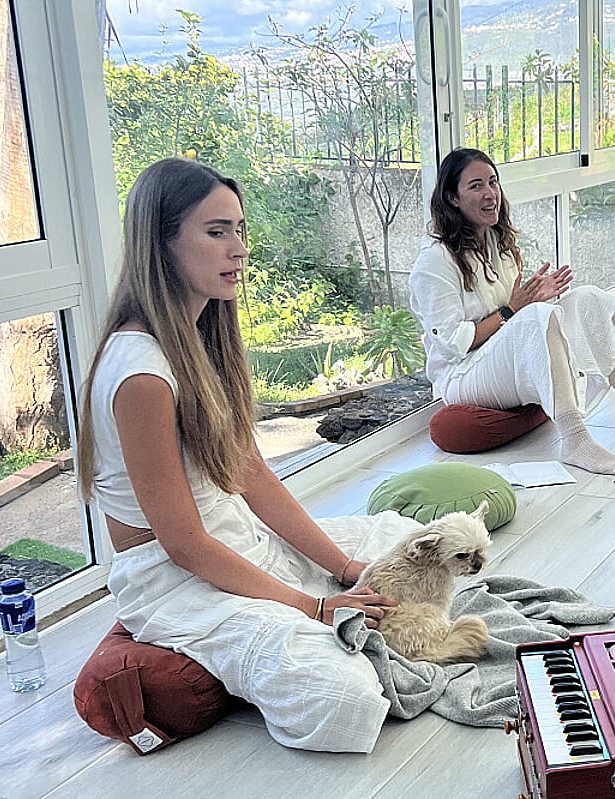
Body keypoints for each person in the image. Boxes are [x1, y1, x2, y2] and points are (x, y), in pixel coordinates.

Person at [76, 158, 405, 753]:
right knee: (346, 702)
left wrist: (345, 569)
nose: (239, 249)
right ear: (163, 242)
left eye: (240, 229)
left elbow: (252, 476)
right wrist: (315, 606)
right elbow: (185, 544)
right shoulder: (139, 373)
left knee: (403, 543)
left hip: (240, 541)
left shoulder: (203, 339)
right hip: (176, 579)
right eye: (216, 232)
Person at [409, 147, 615, 474]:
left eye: (493, 182)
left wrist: (538, 298)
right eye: (475, 186)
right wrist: (516, 309)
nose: (490, 193)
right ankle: (574, 439)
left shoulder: (495, 241)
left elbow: (518, 319)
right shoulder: (434, 262)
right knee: (536, 317)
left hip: (497, 355)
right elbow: (455, 343)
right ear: (452, 199)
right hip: (462, 373)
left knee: (588, 298)